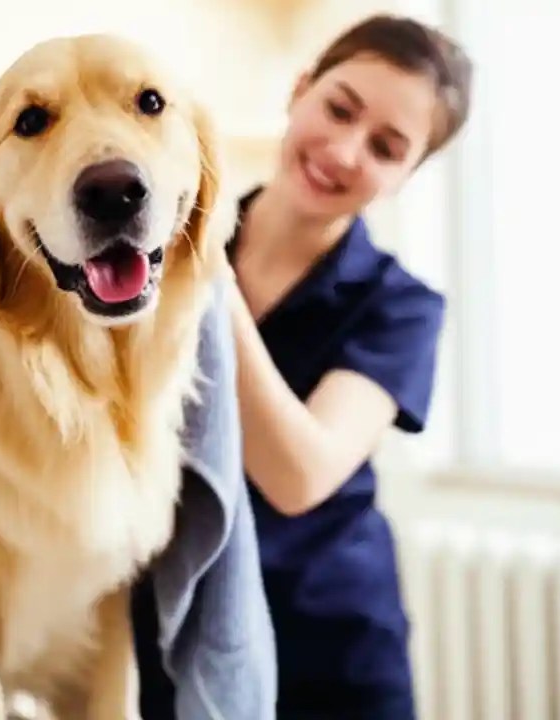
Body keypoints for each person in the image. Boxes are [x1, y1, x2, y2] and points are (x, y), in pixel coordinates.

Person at [131, 13, 474, 720]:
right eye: (339, 109)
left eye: (385, 147)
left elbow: (299, 476)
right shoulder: (150, 256)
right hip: (170, 634)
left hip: (331, 652)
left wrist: (209, 278)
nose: (345, 151)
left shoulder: (402, 309)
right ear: (300, 90)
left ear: (406, 176)